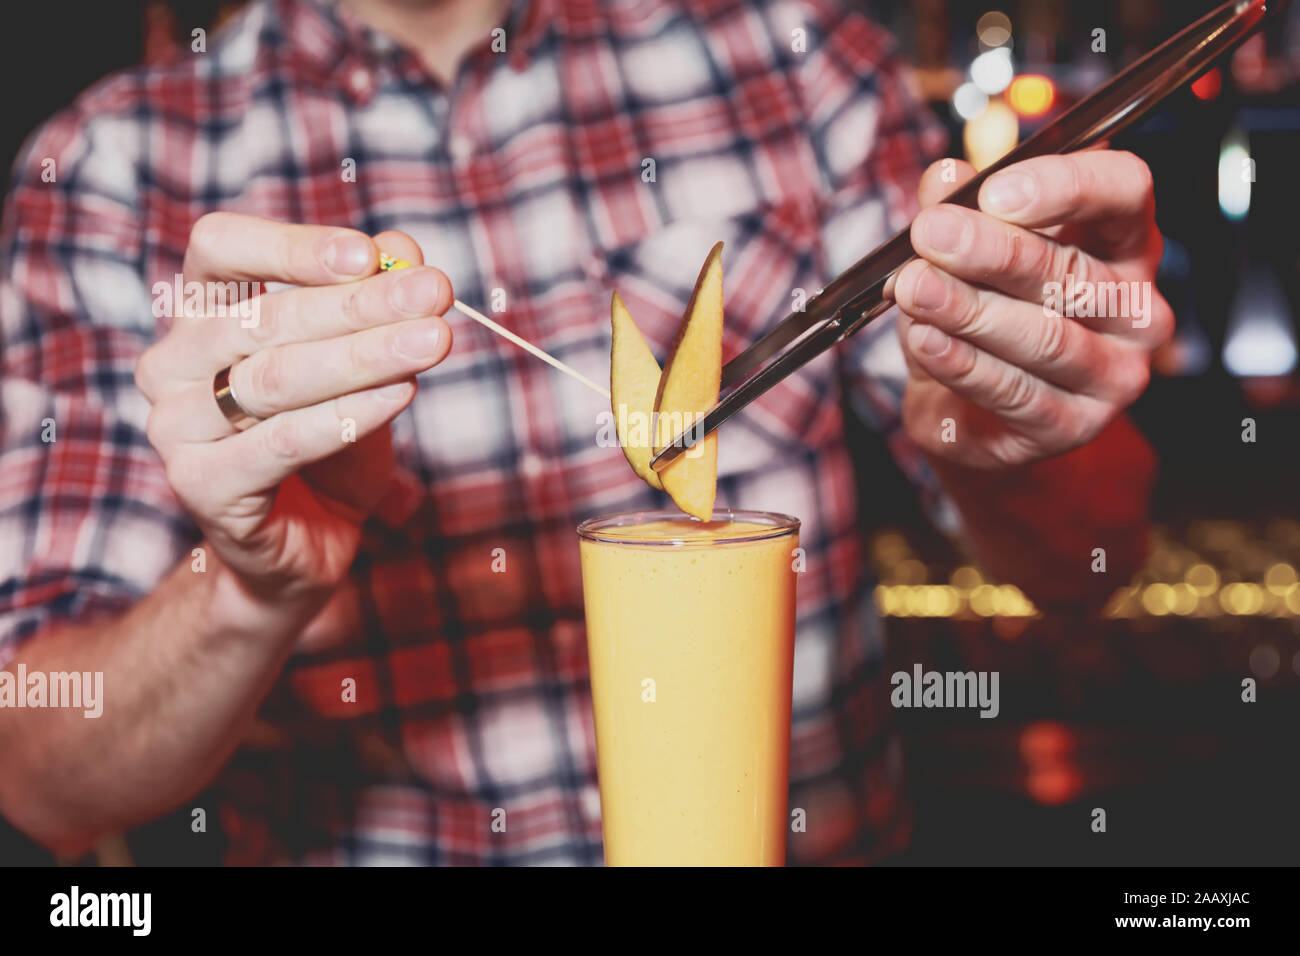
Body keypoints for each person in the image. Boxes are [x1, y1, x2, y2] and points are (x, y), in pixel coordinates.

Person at [0, 0, 1166, 865]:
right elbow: (37, 775)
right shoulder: (110, 169)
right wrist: (247, 587)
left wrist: (1008, 412)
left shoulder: (795, 52)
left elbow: (1093, 557)